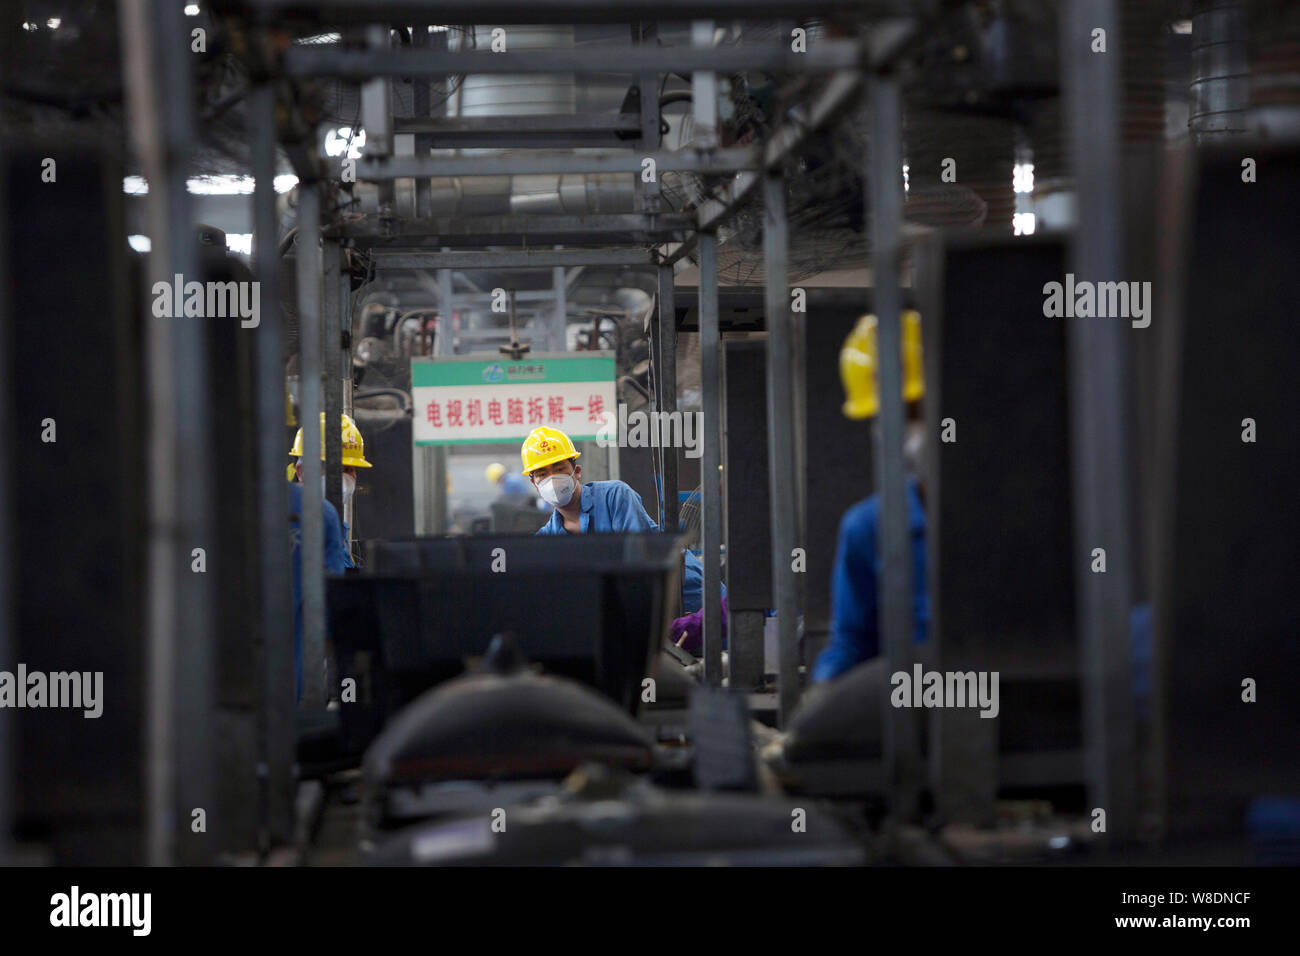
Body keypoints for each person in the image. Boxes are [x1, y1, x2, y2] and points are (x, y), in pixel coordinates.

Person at [522, 425, 725, 643]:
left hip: (696, 606)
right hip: (643, 629)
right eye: (542, 474)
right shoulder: (545, 542)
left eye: (559, 468)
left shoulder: (614, 496)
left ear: (576, 471)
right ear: (534, 484)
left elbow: (638, 568)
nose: (552, 479)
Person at [812, 311, 930, 683]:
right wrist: (822, 704)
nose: (911, 430)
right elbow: (852, 643)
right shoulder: (869, 529)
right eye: (891, 417)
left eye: (917, 410)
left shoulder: (1018, 515)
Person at [289, 412, 373, 702]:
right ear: (303, 471)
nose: (349, 479)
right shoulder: (315, 515)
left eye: (352, 470)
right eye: (340, 469)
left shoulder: (331, 522)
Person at [290, 412, 374, 568]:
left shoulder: (333, 520)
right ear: (302, 471)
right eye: (334, 469)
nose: (344, 478)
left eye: (349, 469)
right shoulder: (289, 520)